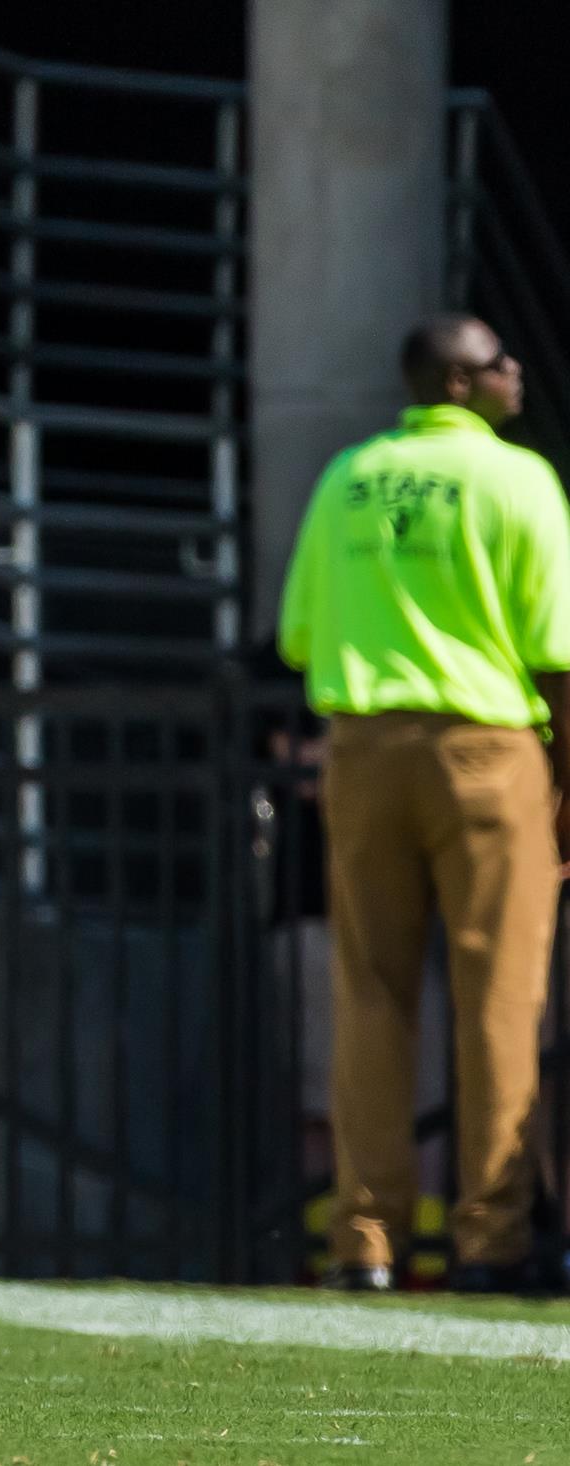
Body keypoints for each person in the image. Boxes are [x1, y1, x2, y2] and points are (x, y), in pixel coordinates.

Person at [279, 312, 570, 1293]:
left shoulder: (346, 478)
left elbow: (299, 635)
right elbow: (557, 649)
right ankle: (492, 1238)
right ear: (457, 382)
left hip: (363, 749)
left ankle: (365, 1237)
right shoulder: (517, 479)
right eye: (496, 362)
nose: (514, 371)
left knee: (370, 995)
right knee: (499, 1000)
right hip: (487, 748)